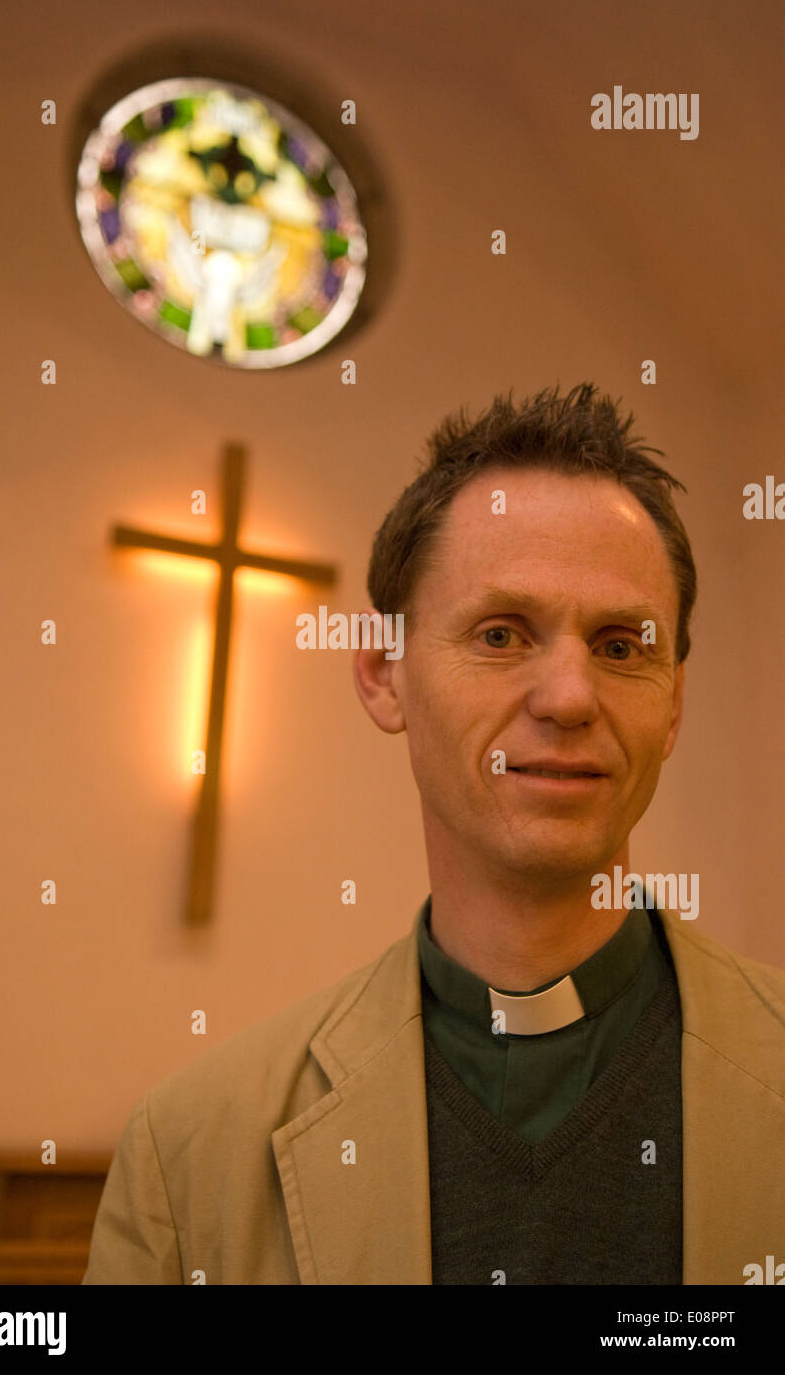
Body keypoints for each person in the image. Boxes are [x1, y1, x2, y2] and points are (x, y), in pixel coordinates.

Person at [83, 384, 784, 1285]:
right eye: (501, 634)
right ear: (385, 676)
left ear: (674, 702)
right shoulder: (189, 1161)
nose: (570, 698)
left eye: (621, 646)